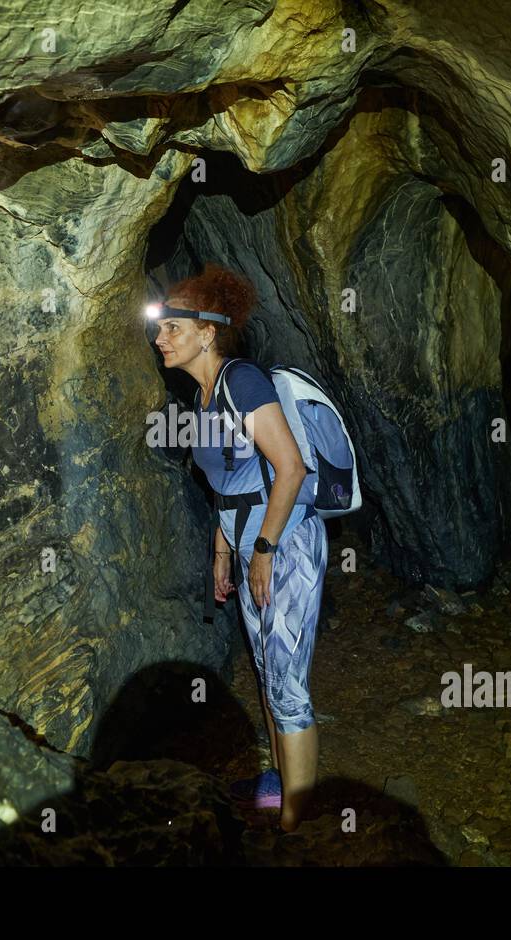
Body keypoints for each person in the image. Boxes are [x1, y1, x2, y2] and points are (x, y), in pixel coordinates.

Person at [149, 262, 329, 833]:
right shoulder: (203, 398)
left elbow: (291, 468)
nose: (160, 338)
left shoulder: (242, 380)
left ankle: (299, 825)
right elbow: (232, 482)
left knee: (290, 684)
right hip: (252, 545)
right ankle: (279, 783)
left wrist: (265, 550)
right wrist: (224, 551)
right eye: (159, 328)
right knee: (268, 671)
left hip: (287, 543)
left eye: (172, 327)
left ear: (208, 332)